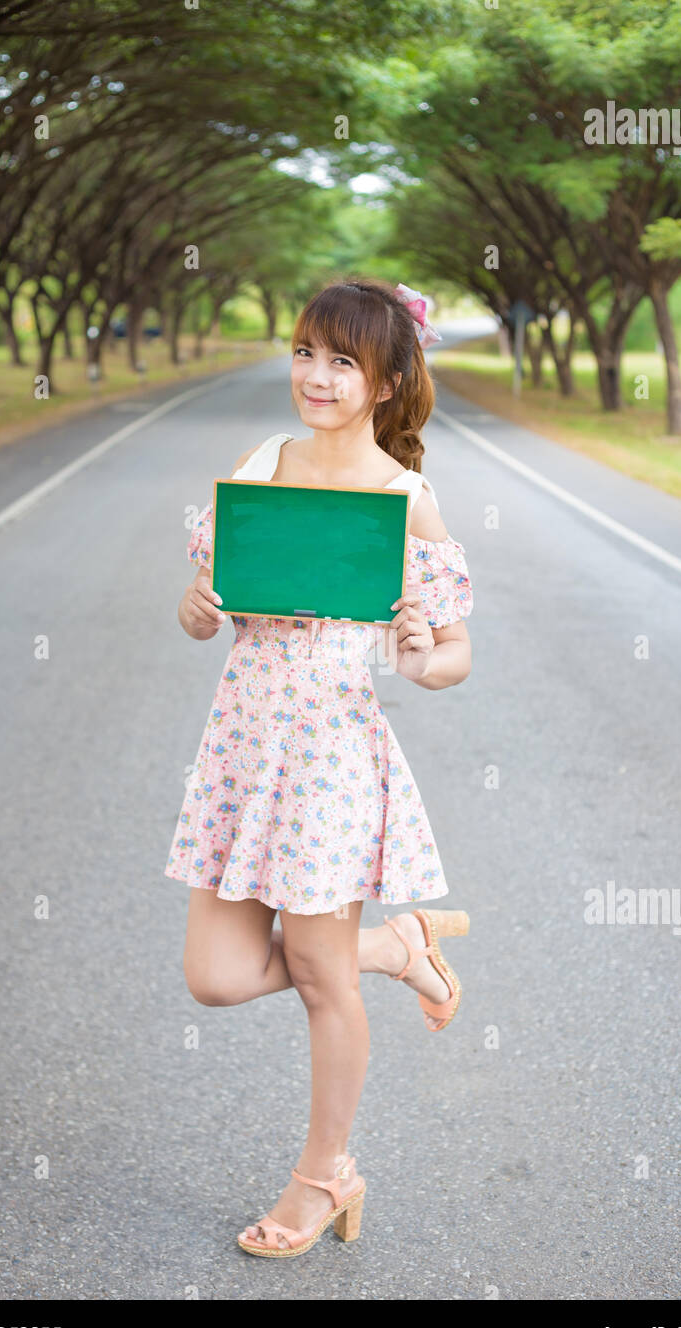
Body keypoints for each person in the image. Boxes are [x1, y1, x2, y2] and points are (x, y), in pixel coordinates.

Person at [165, 277, 474, 1257]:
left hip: (332, 765)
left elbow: (447, 657)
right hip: (242, 751)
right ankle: (394, 947)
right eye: (305, 352)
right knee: (213, 975)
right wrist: (198, 610)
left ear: (384, 381)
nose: (316, 376)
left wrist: (420, 647)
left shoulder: (401, 499)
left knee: (316, 977)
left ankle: (322, 1177)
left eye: (342, 361)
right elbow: (208, 601)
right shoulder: (263, 461)